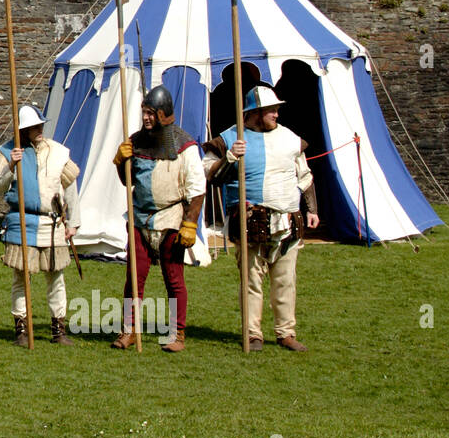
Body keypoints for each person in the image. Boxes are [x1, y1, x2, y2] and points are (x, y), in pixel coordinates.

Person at [202, 85, 318, 352]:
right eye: (272, 110)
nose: (277, 114)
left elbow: (305, 176)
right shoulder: (230, 139)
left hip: (287, 220)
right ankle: (253, 333)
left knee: (285, 279)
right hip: (250, 220)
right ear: (255, 113)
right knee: (252, 279)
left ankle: (285, 333)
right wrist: (230, 158)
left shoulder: (289, 138)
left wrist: (312, 210)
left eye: (276, 110)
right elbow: (209, 176)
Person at [110, 85, 205, 352]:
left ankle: (177, 334)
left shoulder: (184, 145)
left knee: (173, 278)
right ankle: (129, 330)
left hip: (171, 217)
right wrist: (121, 163)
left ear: (164, 114)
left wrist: (190, 222)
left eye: (151, 113)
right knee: (134, 277)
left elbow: (197, 188)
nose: (146, 117)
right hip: (140, 217)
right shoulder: (135, 141)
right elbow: (127, 182)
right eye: (144, 112)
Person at [0, 104, 80, 347]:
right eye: (30, 127)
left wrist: (74, 223)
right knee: (21, 278)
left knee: (56, 278)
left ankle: (58, 329)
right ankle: (22, 329)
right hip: (22, 223)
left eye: (39, 125)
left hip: (52, 224)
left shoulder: (58, 152)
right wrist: (10, 166)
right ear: (22, 130)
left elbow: (70, 188)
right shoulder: (8, 151)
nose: (37, 129)